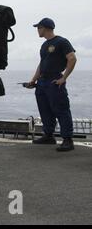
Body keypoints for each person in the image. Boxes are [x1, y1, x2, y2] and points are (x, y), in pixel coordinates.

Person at [25, 18, 77, 152]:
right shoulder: (44, 45)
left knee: (61, 109)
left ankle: (67, 140)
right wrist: (33, 80)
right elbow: (41, 64)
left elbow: (72, 58)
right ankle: (49, 136)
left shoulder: (61, 42)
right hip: (42, 81)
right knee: (45, 110)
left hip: (54, 80)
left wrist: (63, 78)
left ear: (46, 28)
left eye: (39, 27)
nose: (38, 30)